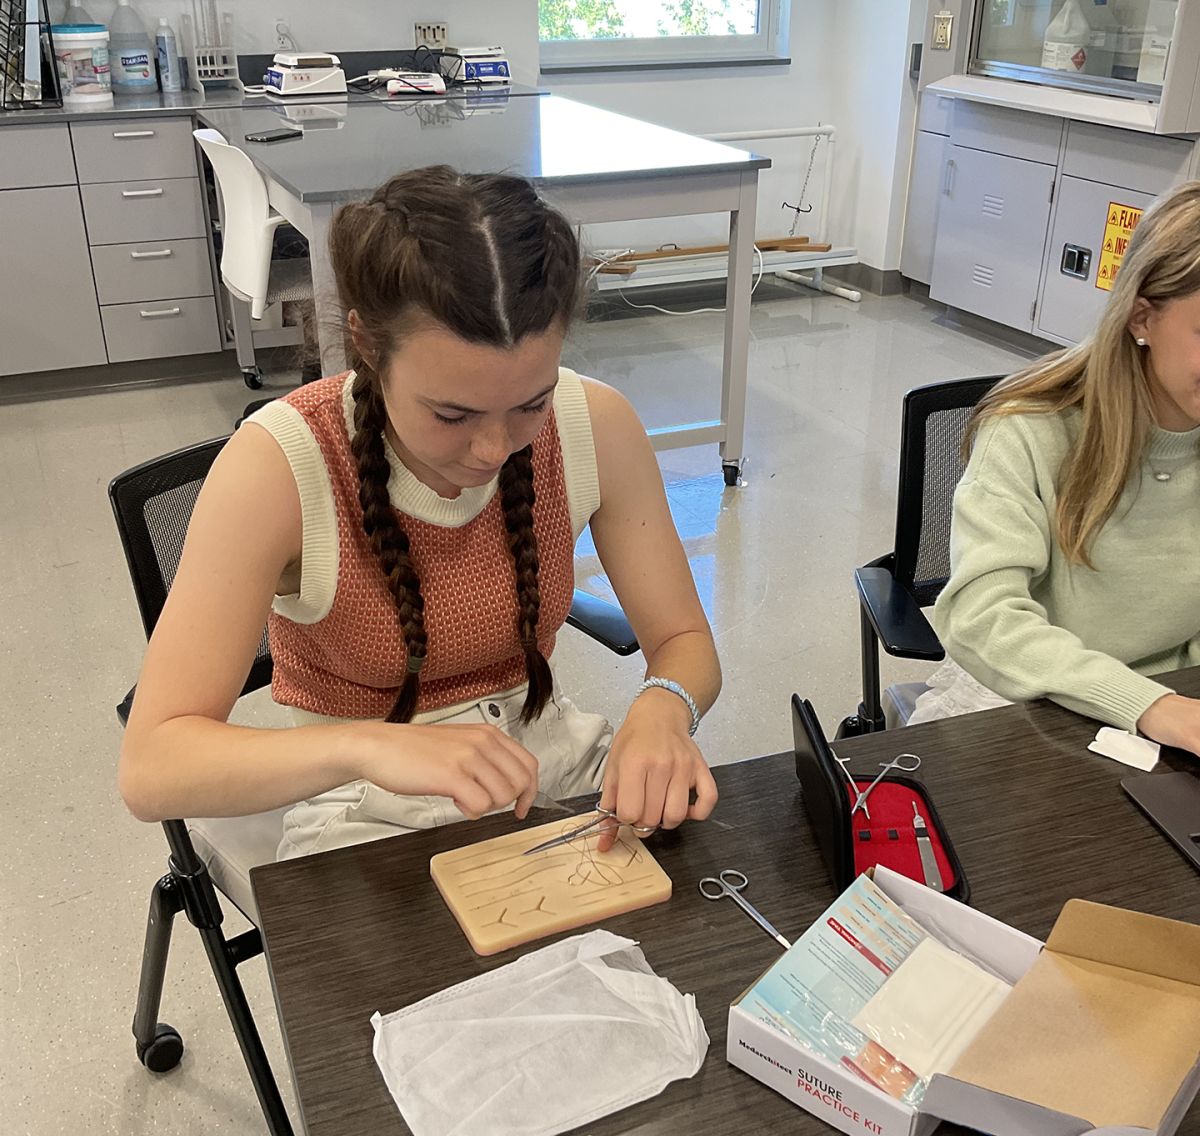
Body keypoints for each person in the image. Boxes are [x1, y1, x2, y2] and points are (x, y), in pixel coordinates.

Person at [118, 165, 721, 858]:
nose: (494, 449)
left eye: (531, 403)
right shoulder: (279, 467)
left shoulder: (595, 425)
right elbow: (152, 767)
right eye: (452, 414)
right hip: (361, 802)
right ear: (368, 346)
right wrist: (370, 746)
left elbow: (684, 640)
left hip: (550, 763)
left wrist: (665, 705)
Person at [913, 179, 1200, 756]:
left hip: (1173, 702)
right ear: (1141, 318)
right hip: (1028, 694)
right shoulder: (1029, 429)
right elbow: (983, 616)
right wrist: (1145, 705)